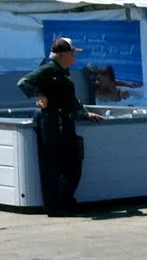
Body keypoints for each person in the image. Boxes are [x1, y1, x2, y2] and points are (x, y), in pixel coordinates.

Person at [18, 37, 102, 216]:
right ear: (63, 55)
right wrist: (39, 95)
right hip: (51, 120)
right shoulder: (48, 69)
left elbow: (70, 98)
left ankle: (67, 201)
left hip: (66, 120)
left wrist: (84, 113)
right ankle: (55, 207)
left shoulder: (64, 72)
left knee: (72, 163)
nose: (75, 57)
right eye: (72, 53)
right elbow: (24, 82)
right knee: (52, 164)